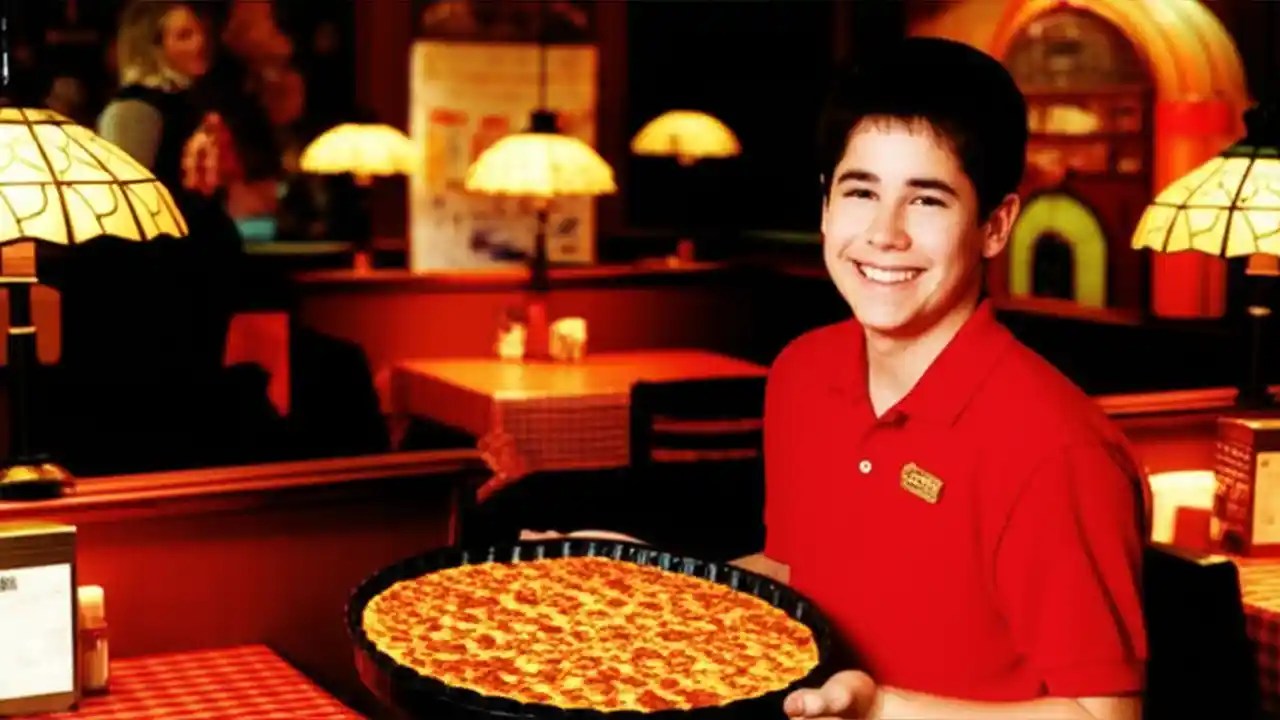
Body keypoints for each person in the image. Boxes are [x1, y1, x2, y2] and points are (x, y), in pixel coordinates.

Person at [527, 37, 1149, 720]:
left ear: (996, 226)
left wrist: (881, 711)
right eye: (861, 192)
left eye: (927, 200)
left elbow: (1104, 715)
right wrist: (647, 584)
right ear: (826, 206)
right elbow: (798, 575)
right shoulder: (803, 372)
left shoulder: (1057, 449)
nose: (884, 233)